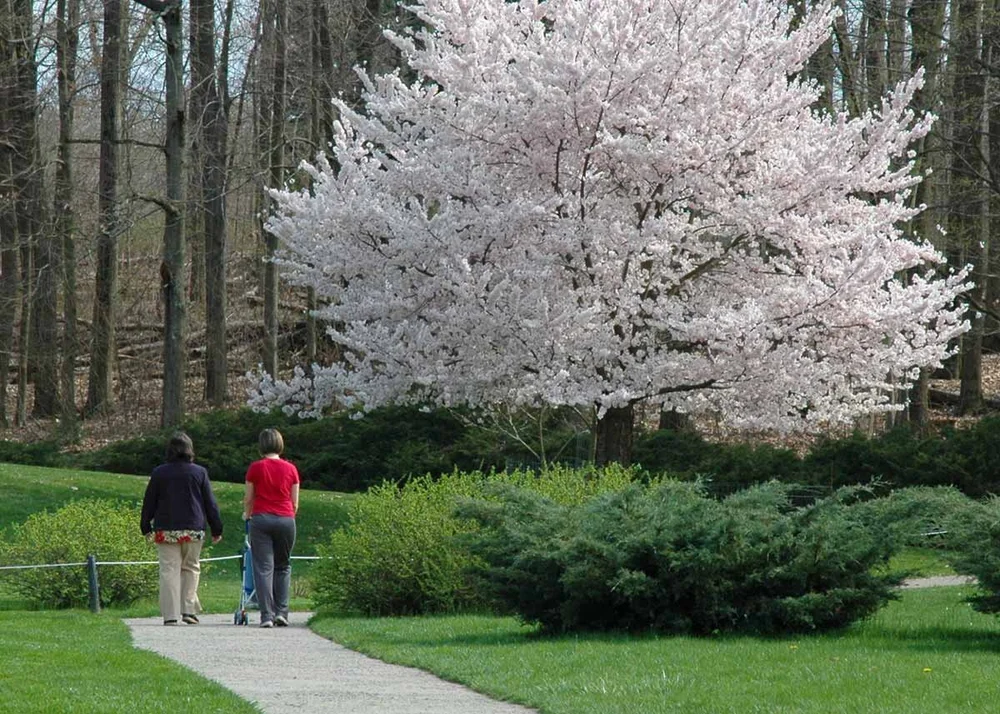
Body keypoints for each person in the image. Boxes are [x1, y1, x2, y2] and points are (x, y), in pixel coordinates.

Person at [140, 432, 223, 626]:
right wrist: (217, 528)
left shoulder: (160, 472)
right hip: (193, 528)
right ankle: (188, 610)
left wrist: (145, 526)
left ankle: (170, 615)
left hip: (166, 529)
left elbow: (149, 501)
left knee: (169, 570)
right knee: (191, 568)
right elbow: (210, 503)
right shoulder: (199, 472)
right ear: (190, 450)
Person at [243, 428, 300, 628]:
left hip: (261, 518)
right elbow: (295, 502)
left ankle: (266, 615)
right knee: (283, 566)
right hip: (285, 518)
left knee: (263, 567)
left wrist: (246, 514)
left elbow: (249, 498)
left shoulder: (255, 468)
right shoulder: (291, 469)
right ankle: (281, 612)